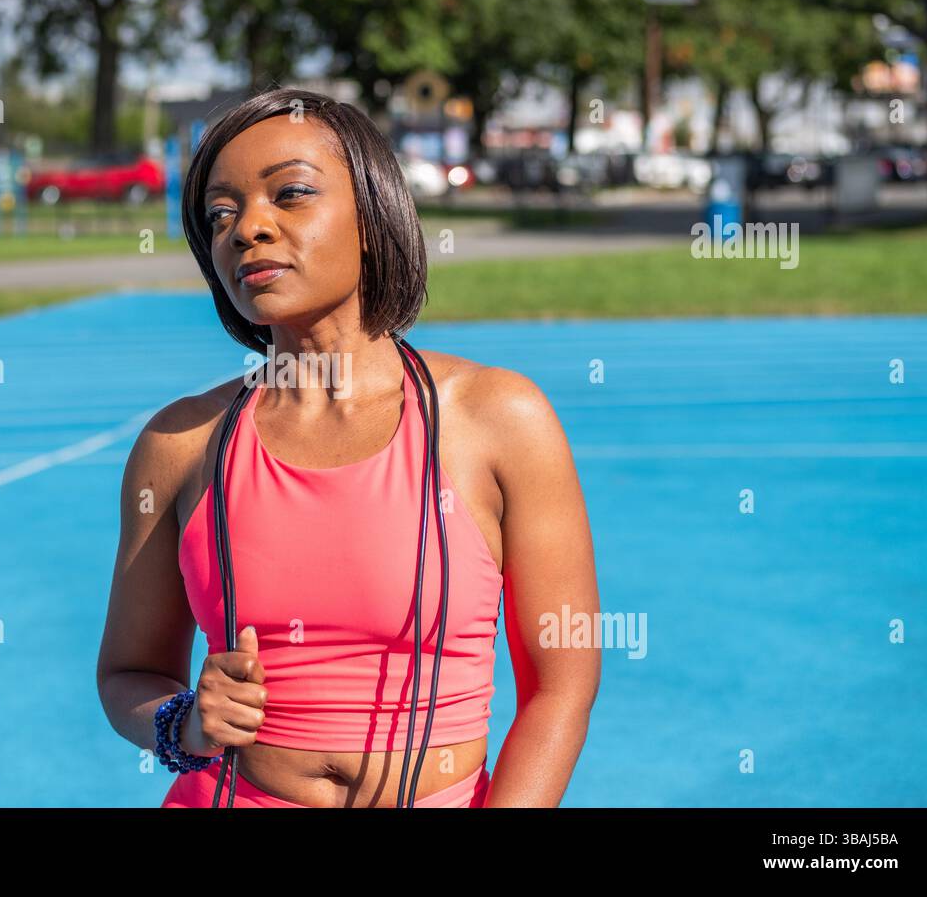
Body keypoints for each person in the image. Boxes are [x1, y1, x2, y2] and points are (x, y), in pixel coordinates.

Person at [96, 87, 600, 807]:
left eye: (290, 194)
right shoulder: (181, 443)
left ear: (373, 214)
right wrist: (182, 724)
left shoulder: (497, 418)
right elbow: (127, 672)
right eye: (221, 214)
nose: (248, 229)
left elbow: (563, 684)